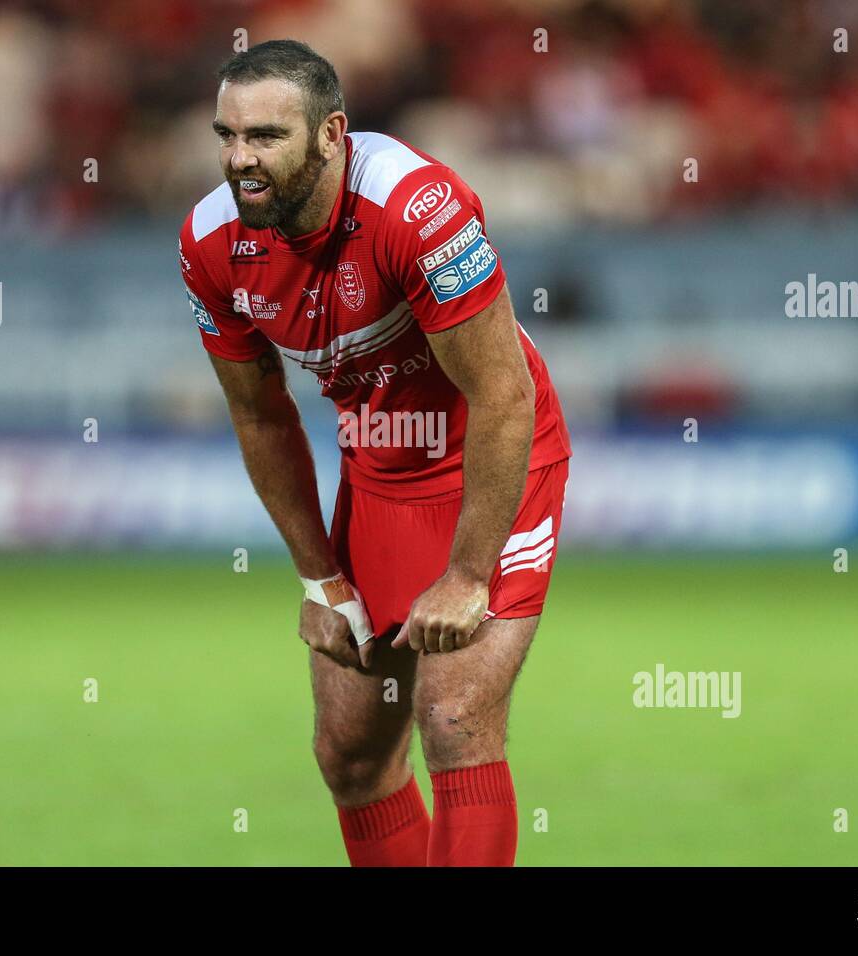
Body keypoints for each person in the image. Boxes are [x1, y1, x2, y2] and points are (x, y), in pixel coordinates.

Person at [179, 39, 571, 866]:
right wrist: (321, 579)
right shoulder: (211, 243)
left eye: (266, 138)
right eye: (227, 135)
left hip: (493, 458)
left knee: (456, 720)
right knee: (351, 755)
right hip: (380, 470)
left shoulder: (417, 211)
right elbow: (261, 419)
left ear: (331, 135)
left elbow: (502, 398)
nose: (239, 160)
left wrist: (468, 574)